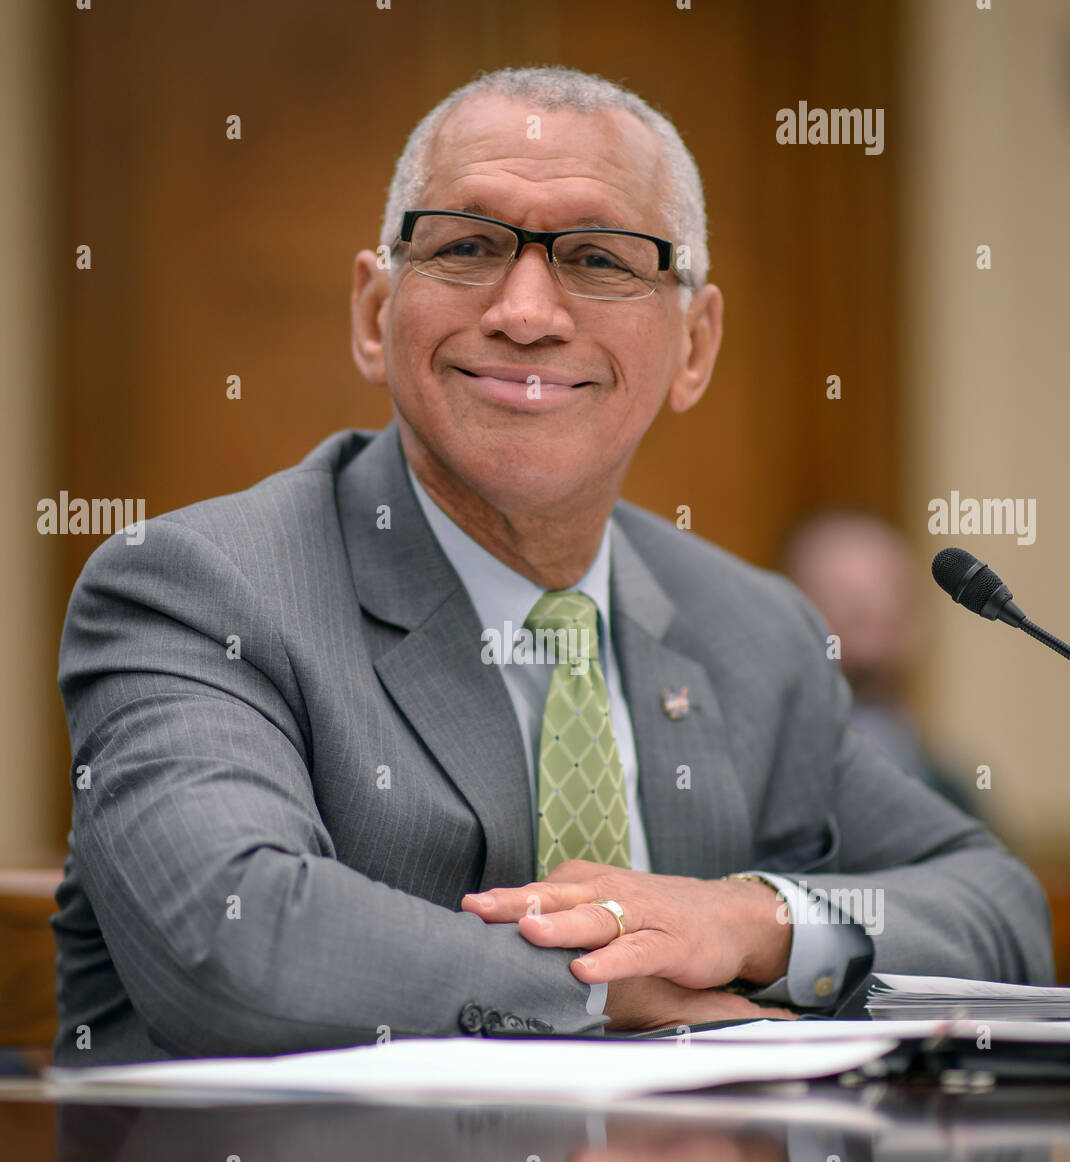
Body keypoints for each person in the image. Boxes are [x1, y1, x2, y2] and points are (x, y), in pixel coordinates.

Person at [52, 66, 1052, 1066]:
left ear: (693, 345)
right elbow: (239, 936)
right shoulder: (196, 590)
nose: (526, 312)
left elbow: (993, 906)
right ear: (373, 312)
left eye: (597, 258)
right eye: (469, 245)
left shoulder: (752, 631)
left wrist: (750, 920)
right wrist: (615, 994)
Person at [780, 511, 981, 817]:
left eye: (892, 616)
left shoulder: (951, 791)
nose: (869, 650)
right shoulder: (749, 791)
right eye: (851, 615)